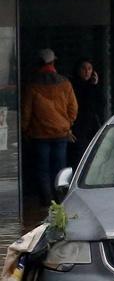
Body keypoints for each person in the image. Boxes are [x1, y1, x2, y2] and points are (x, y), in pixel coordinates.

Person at [21, 49, 77, 205]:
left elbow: (26, 111)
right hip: (61, 133)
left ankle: (46, 201)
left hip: (40, 135)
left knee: (43, 169)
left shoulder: (32, 85)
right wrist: (67, 124)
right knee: (60, 170)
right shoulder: (65, 83)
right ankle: (60, 200)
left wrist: (24, 129)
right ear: (53, 63)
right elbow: (73, 108)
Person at [69, 60, 104, 162]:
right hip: (77, 128)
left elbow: (100, 104)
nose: (87, 72)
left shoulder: (93, 86)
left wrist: (94, 85)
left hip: (91, 128)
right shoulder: (72, 86)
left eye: (89, 69)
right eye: (83, 68)